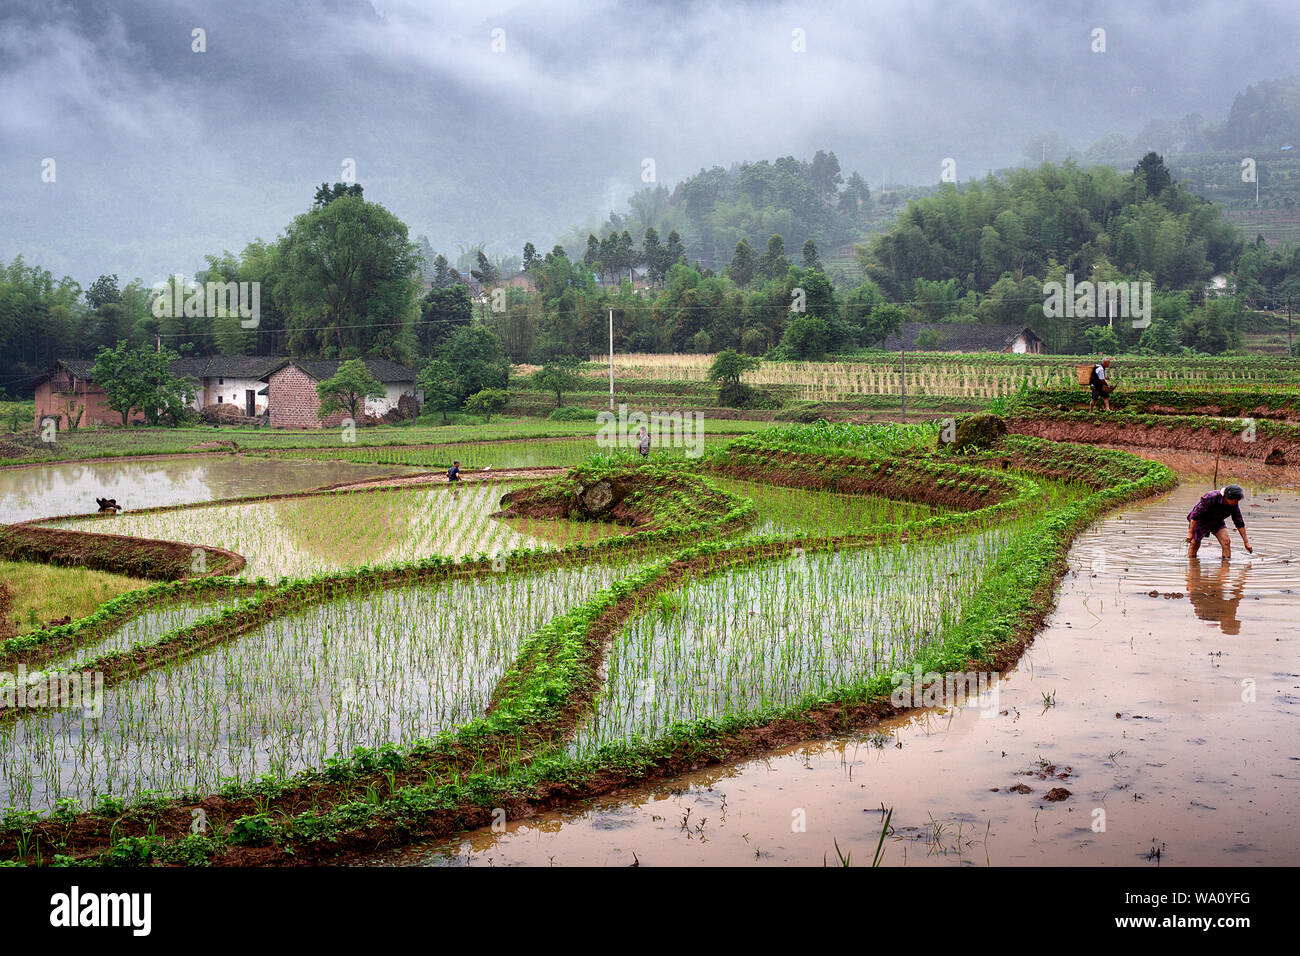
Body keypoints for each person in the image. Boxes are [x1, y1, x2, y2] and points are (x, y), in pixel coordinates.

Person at [1186, 484, 1252, 559]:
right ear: (1227, 497)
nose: (1236, 502)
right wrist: (1190, 533)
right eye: (1235, 500)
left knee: (1226, 541)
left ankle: (1225, 567)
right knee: (1195, 544)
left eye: (1238, 500)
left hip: (1217, 521)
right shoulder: (1211, 497)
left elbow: (1239, 521)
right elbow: (1196, 515)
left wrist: (1246, 542)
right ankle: (1192, 565)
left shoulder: (1234, 505)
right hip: (1201, 520)